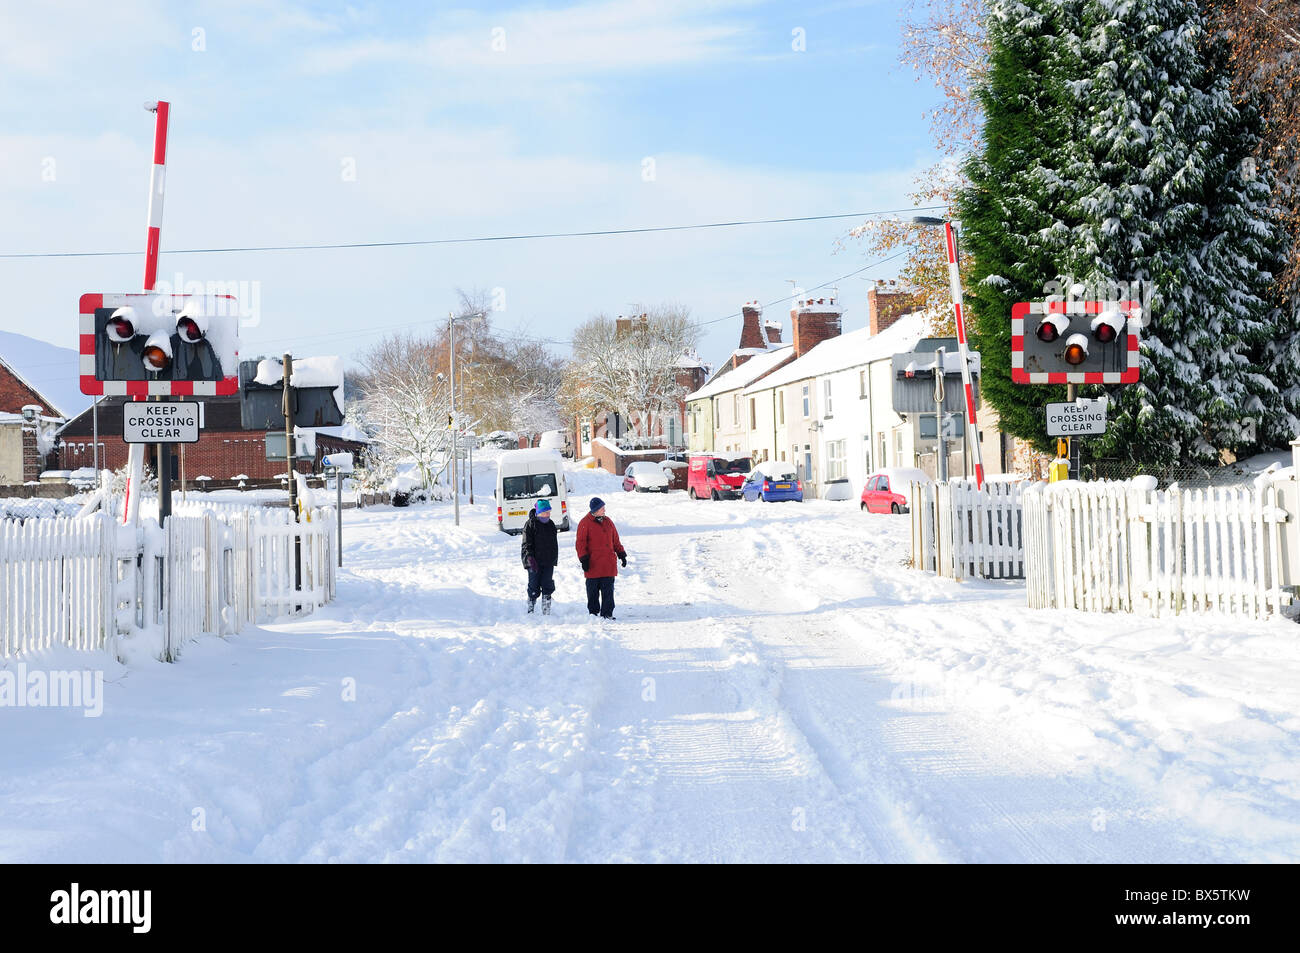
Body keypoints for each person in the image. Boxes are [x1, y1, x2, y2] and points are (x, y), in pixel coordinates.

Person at [574, 496, 627, 619]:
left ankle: (607, 613)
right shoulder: (584, 523)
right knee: (592, 591)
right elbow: (580, 543)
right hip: (593, 564)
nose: (604, 510)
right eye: (602, 508)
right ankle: (593, 614)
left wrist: (621, 554)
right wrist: (583, 559)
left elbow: (615, 540)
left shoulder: (608, 521)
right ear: (595, 509)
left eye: (604, 508)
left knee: (608, 591)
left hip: (608, 564)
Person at [521, 498, 559, 614]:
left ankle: (546, 609)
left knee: (547, 584)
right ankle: (531, 608)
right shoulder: (530, 524)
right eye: (545, 512)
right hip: (534, 561)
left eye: (549, 512)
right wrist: (530, 558)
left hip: (547, 561)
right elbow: (526, 544)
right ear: (538, 513)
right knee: (534, 585)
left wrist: (553, 560)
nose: (547, 514)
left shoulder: (551, 524)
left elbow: (553, 544)